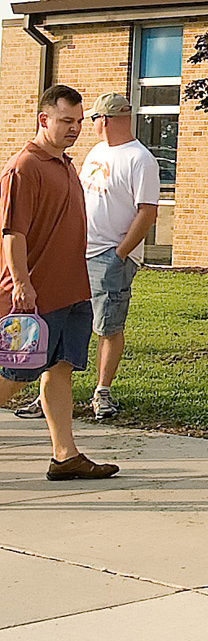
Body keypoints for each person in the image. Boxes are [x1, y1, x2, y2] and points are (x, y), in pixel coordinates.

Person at [1, 85, 117, 482]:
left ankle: (65, 456)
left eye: (80, 122)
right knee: (12, 376)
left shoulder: (65, 164)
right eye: (67, 121)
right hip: (34, 295)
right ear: (43, 119)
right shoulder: (25, 167)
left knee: (60, 368)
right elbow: (12, 233)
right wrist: (22, 284)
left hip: (72, 291)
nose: (75, 129)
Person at [77, 91, 160, 425]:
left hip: (110, 256)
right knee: (71, 319)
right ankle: (49, 392)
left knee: (108, 325)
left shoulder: (140, 159)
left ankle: (102, 391)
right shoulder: (97, 152)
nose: (92, 125)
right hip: (79, 251)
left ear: (105, 120)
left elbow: (147, 212)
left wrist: (121, 253)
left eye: (93, 119)